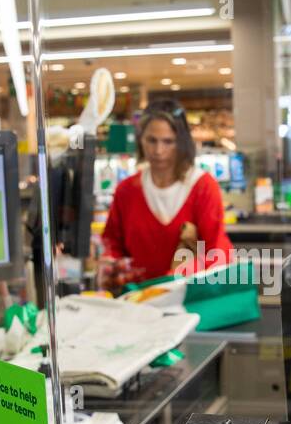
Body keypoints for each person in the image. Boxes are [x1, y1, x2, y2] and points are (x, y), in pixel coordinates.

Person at [100, 102, 233, 288]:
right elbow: (112, 241)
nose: (158, 151)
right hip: (138, 301)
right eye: (151, 140)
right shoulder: (127, 190)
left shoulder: (203, 187)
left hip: (189, 299)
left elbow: (215, 251)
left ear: (182, 142)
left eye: (168, 141)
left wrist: (172, 280)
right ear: (140, 140)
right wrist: (109, 263)